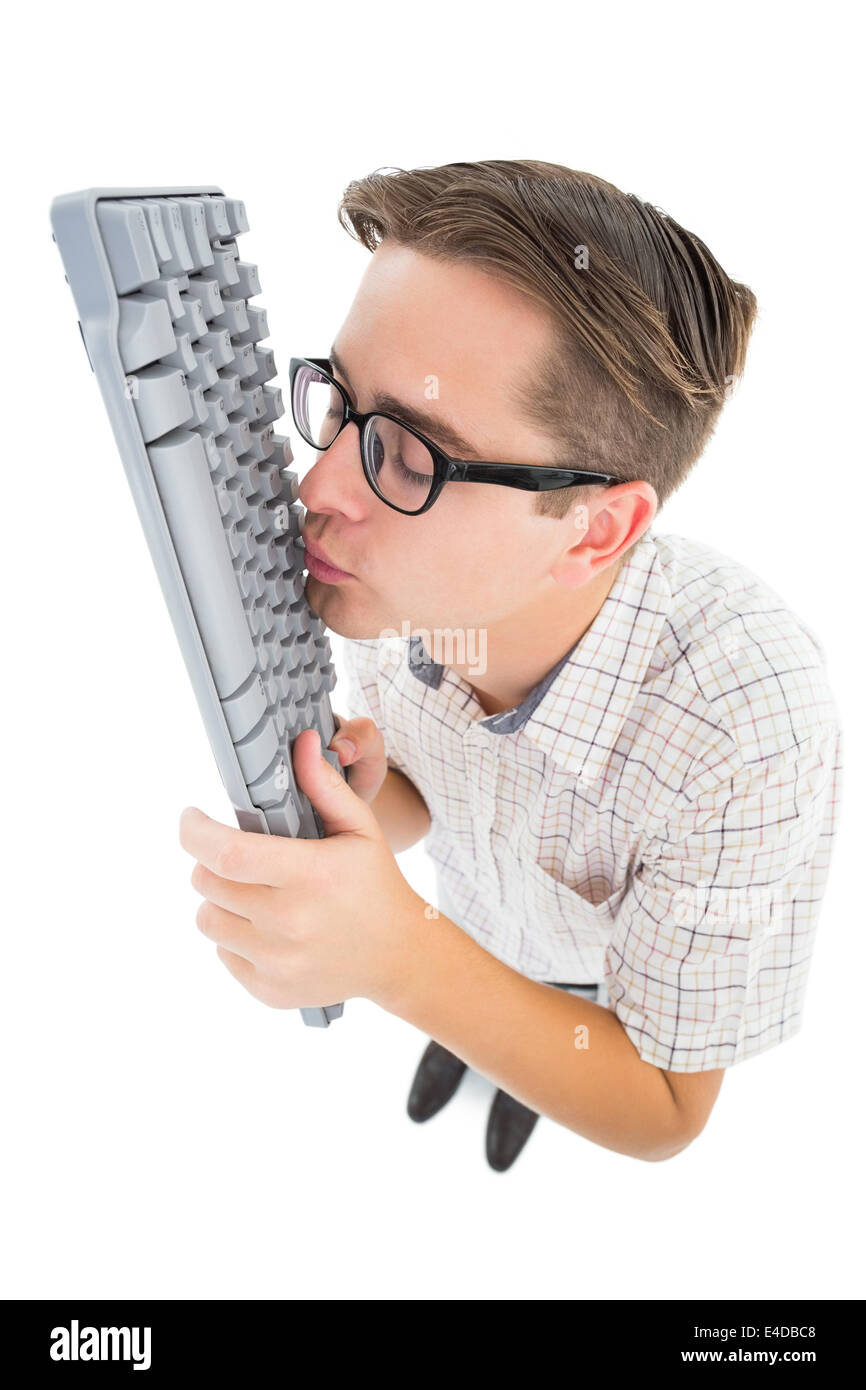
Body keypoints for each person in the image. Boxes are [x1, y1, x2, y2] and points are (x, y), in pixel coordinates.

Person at [181, 160, 843, 1171]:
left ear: (591, 531)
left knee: (537, 1039)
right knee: (468, 1007)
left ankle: (502, 1061)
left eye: (407, 453)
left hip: (587, 1000)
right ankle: (469, 1036)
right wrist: (364, 808)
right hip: (468, 928)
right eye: (341, 406)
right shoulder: (388, 577)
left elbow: (663, 1101)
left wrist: (398, 958)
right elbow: (417, 781)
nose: (314, 486)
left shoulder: (745, 729)